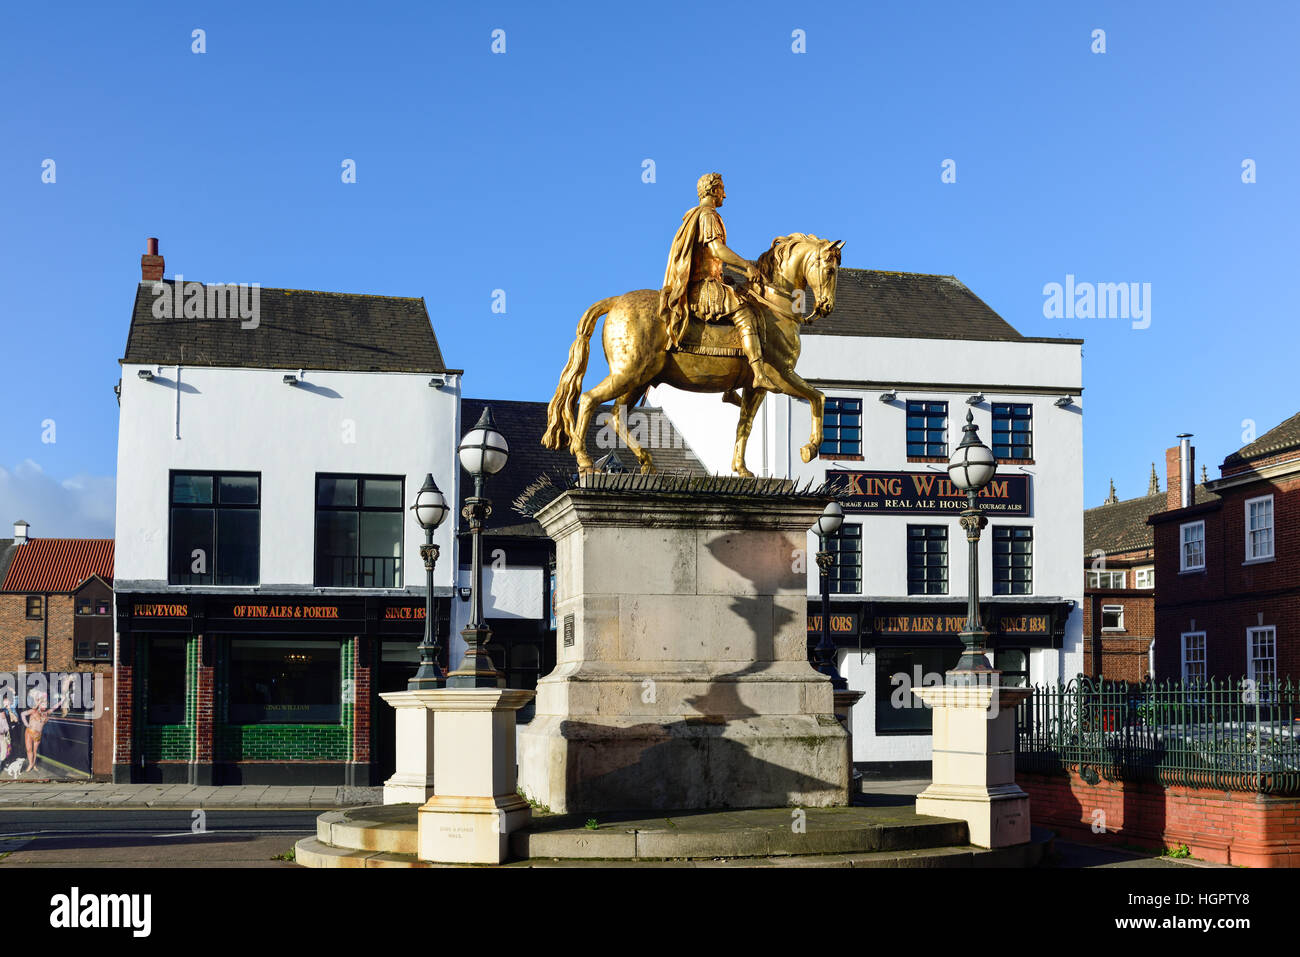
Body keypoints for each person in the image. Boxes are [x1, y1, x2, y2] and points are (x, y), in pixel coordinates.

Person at [659, 173, 780, 390]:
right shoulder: (708, 216)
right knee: (745, 311)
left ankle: (730, 385)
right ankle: (759, 373)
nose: (725, 194)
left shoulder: (696, 216)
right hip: (703, 287)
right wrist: (746, 266)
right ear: (713, 190)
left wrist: (726, 276)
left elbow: (709, 257)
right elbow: (716, 250)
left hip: (709, 281)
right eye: (722, 189)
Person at [22, 691, 51, 775]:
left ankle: (33, 764)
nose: (44, 706)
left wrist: (62, 700)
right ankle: (31, 764)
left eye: (45, 704)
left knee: (35, 751)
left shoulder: (45, 714)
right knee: (29, 750)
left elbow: (54, 708)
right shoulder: (33, 710)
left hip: (37, 735)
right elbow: (22, 714)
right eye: (43, 703)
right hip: (29, 732)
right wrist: (26, 724)